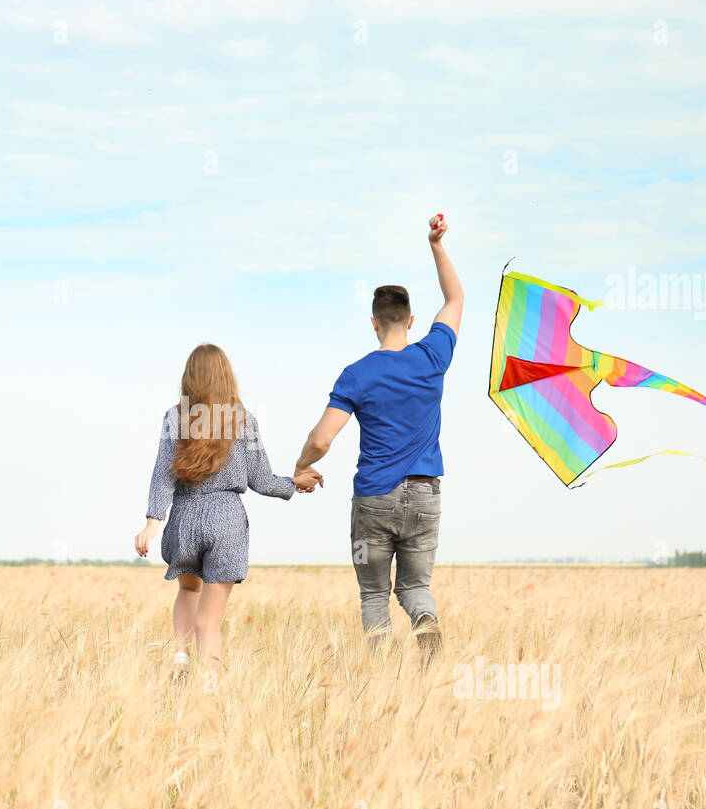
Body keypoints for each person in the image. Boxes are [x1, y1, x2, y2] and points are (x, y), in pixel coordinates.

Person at [292, 214, 463, 662]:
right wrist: (436, 245)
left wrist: (300, 466)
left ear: (373, 323)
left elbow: (323, 439)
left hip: (373, 501)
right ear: (411, 320)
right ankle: (425, 625)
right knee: (416, 587)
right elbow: (456, 297)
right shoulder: (433, 355)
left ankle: (382, 681)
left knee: (373, 595)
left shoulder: (358, 374)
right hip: (425, 494)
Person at [136, 344, 320, 682]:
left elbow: (162, 472)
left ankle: (180, 654)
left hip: (185, 517)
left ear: (189, 378)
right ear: (227, 377)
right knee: (209, 623)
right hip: (227, 521)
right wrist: (294, 483)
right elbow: (261, 481)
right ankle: (209, 687)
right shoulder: (243, 419)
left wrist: (151, 522)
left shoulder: (175, 417)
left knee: (188, 590)